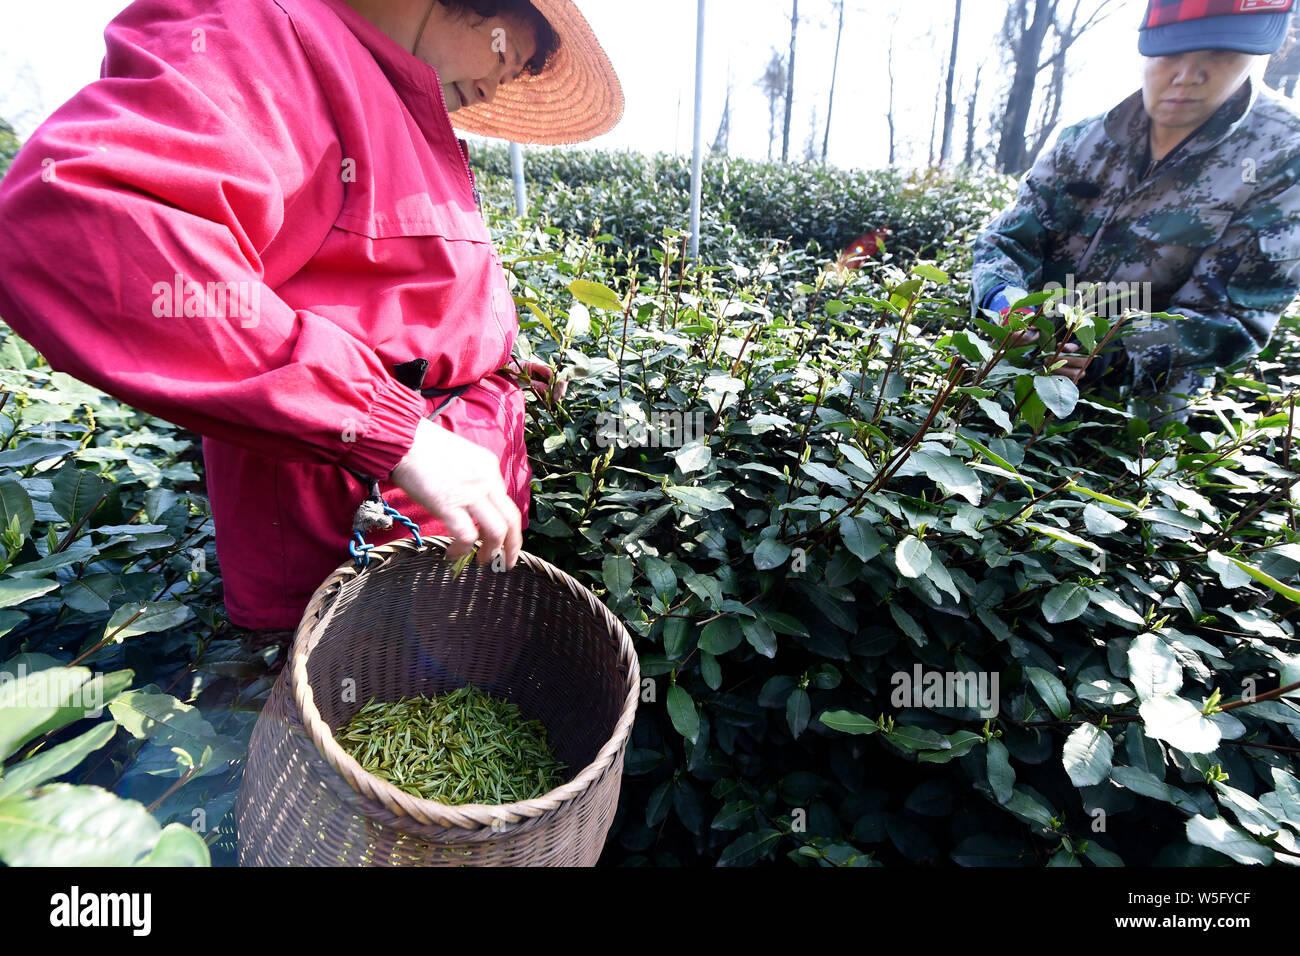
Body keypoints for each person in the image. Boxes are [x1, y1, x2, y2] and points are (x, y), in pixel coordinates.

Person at [0, 0, 622, 651]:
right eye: (507, 56)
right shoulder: (275, 40)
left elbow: (382, 298)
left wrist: (494, 370)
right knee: (364, 730)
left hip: (440, 550)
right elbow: (76, 217)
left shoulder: (398, 106)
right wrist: (393, 428)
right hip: (355, 562)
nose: (500, 86)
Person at [971, 0, 1300, 421]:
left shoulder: (1281, 158)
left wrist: (1107, 347)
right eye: (1172, 52)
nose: (1187, 76)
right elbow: (1007, 241)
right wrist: (1007, 302)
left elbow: (1234, 318)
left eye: (1220, 54)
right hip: (1024, 365)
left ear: (1260, 53)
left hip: (1140, 410)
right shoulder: (1084, 141)